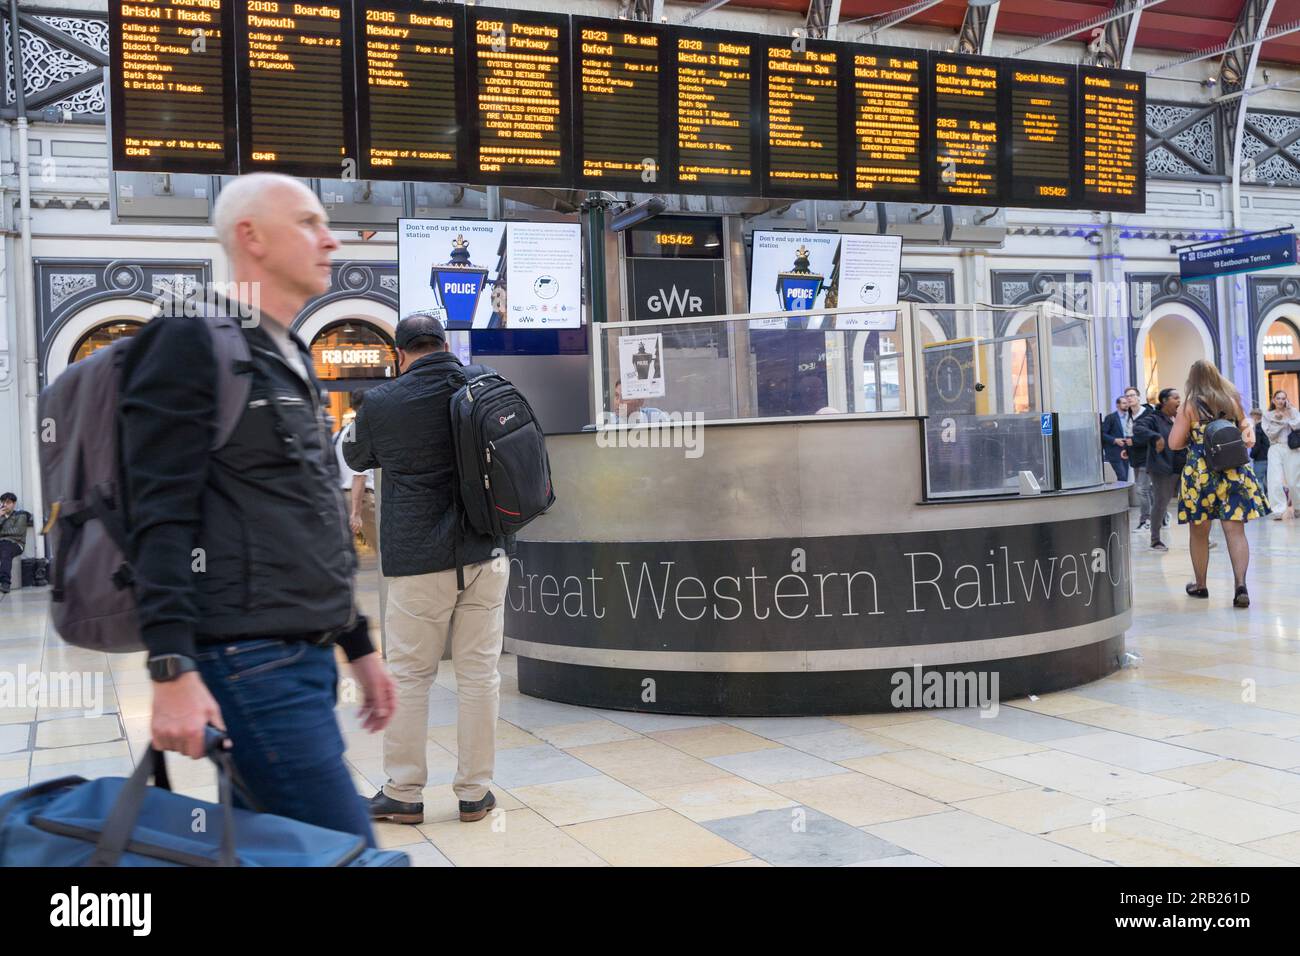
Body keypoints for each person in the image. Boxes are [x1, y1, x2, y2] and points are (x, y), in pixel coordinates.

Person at [119, 173, 396, 843]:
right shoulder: (190, 340)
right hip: (248, 660)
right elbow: (156, 512)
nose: (331, 238)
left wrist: (357, 642)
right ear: (251, 237)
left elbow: (304, 514)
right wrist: (170, 666)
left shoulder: (286, 351)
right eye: (308, 222)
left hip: (299, 656)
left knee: (278, 853)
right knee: (348, 851)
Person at [344, 312, 509, 825]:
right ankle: (475, 794)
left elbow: (355, 455)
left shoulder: (383, 403)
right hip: (487, 552)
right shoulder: (483, 385)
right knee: (480, 675)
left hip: (419, 561)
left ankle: (404, 791)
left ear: (400, 353)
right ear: (443, 344)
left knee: (412, 675)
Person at [1169, 360, 1267, 608]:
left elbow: (1173, 443)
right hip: (1233, 471)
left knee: (1199, 531)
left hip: (1201, 474)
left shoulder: (1189, 406)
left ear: (1193, 379)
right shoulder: (1232, 402)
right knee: (1235, 531)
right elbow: (1248, 440)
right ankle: (1241, 585)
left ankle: (1200, 585)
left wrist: (1195, 439)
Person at [1133, 388, 1186, 552]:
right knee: (1161, 502)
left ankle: (1203, 538)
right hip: (1162, 467)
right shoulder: (1154, 418)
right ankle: (1155, 540)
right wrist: (1155, 437)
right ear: (1164, 401)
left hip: (1182, 466)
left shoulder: (1179, 418)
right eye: (1175, 398)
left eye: (1179, 398)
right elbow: (1138, 428)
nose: (1179, 401)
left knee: (1192, 501)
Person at [1262, 390, 1300, 520]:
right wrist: (1279, 422)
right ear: (1273, 400)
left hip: (1292, 448)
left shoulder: (1293, 412)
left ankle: (1298, 507)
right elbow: (1270, 433)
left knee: (1294, 481)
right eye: (1278, 398)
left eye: (1283, 398)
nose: (1281, 401)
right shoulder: (1267, 415)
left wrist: (1288, 414)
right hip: (1275, 447)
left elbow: (1297, 425)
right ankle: (1278, 510)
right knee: (1275, 480)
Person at [1124, 386, 1156, 531]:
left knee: (1141, 489)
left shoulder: (1148, 414)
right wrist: (1126, 449)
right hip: (1135, 457)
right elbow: (1129, 435)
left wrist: (1134, 442)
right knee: (1146, 489)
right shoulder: (1129, 415)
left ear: (1138, 397)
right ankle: (1162, 516)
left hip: (1148, 457)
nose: (1129, 398)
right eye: (1127, 396)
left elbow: (1152, 436)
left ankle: (1146, 520)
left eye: (1132, 395)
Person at [0, 493, 32, 594]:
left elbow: (17, 531)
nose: (5, 505)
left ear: (14, 503)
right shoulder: (0, 515)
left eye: (8, 502)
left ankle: (5, 583)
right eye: (3, 502)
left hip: (16, 543)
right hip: (2, 543)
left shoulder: (21, 514)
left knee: (5, 550)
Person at [1101, 396, 1133, 482]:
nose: (1126, 405)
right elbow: (1102, 434)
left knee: (1125, 476)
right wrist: (1115, 440)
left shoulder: (1130, 417)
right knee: (1122, 476)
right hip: (1114, 452)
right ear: (1117, 405)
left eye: (1127, 403)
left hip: (1126, 450)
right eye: (1124, 403)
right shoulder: (1111, 418)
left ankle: (1124, 495)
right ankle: (1122, 495)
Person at [1249, 407, 1270, 509]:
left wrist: (1251, 454)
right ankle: (1270, 503)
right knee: (1269, 481)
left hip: (1260, 458)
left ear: (1255, 416)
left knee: (1259, 481)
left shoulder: (1257, 428)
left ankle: (1262, 504)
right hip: (1269, 457)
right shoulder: (1267, 426)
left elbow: (1257, 444)